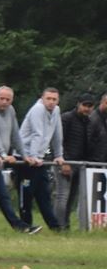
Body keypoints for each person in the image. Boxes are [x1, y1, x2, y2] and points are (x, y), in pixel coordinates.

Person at [0, 85, 40, 233]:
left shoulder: (10, 111)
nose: (4, 102)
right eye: (1, 98)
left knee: (4, 196)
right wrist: (3, 155)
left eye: (8, 100)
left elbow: (15, 134)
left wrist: (24, 155)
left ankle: (20, 227)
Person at [17, 87, 65, 232]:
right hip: (25, 157)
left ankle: (55, 227)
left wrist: (58, 155)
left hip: (39, 158)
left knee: (44, 194)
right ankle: (26, 226)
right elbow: (37, 134)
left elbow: (57, 134)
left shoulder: (56, 110)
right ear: (42, 98)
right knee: (27, 193)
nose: (51, 102)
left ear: (58, 100)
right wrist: (34, 157)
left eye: (54, 99)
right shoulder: (38, 109)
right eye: (48, 99)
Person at [56, 94, 92, 229]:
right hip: (65, 162)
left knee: (71, 197)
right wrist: (63, 160)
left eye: (89, 106)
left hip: (80, 164)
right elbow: (58, 141)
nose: (87, 109)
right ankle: (58, 225)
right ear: (78, 104)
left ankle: (66, 224)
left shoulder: (88, 122)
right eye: (84, 105)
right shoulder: (66, 118)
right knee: (62, 196)